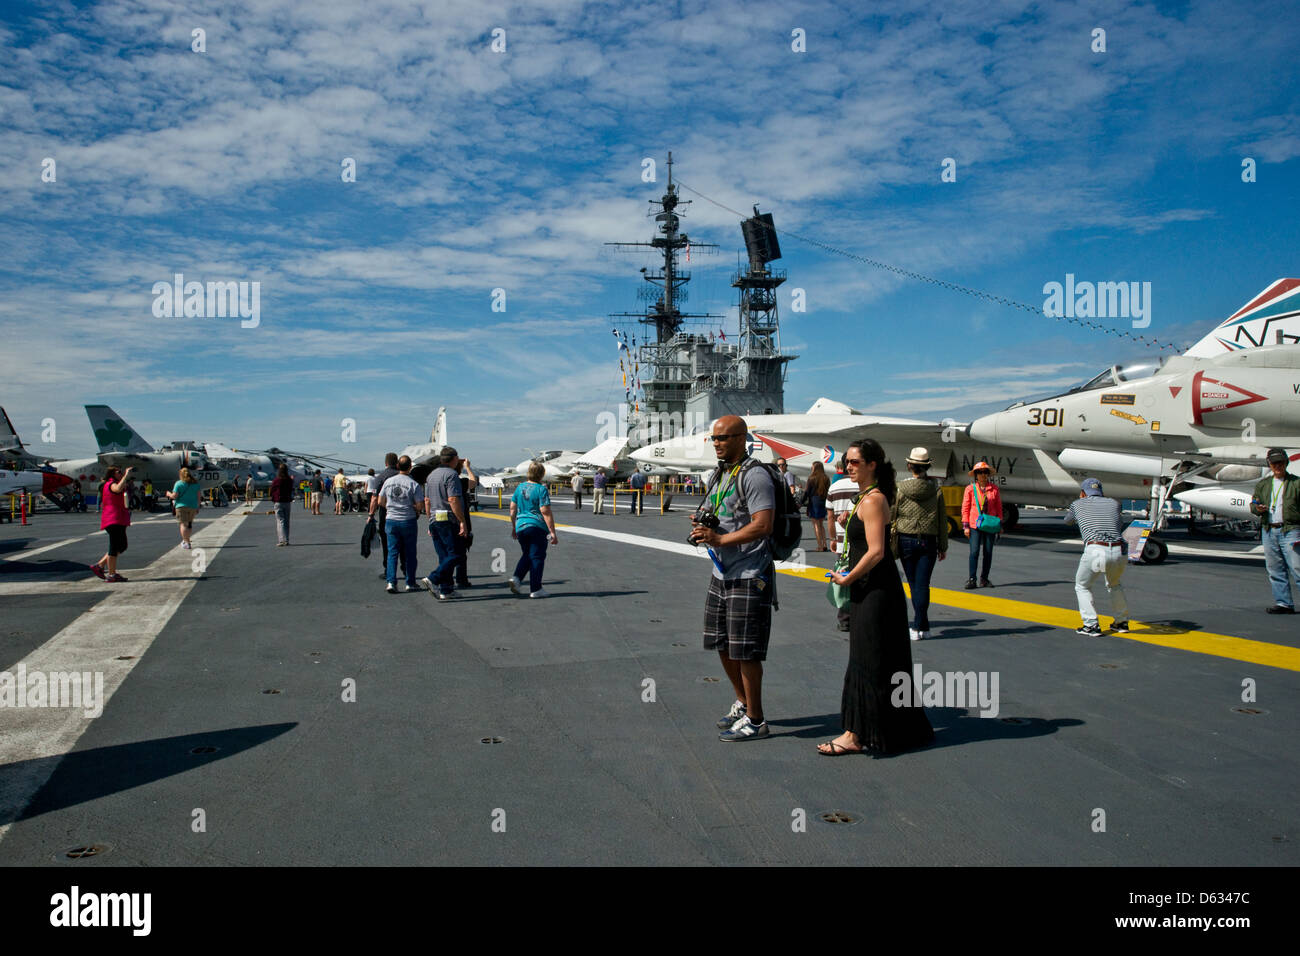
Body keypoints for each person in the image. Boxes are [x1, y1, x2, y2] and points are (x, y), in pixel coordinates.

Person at [822, 439, 934, 755]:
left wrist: (847, 577)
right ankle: (875, 729)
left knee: (867, 659)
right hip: (874, 588)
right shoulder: (867, 498)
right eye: (847, 461)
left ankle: (854, 734)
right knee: (879, 658)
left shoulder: (872, 500)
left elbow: (876, 552)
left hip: (875, 589)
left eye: (855, 461)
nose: (848, 466)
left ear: (872, 464)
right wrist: (849, 523)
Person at [690, 414, 776, 742]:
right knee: (721, 644)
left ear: (742, 438)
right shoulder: (719, 474)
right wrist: (705, 526)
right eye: (714, 438)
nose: (717, 443)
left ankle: (756, 720)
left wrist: (721, 540)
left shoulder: (755, 476)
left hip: (750, 573)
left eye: (723, 438)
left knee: (746, 651)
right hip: (721, 572)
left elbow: (763, 524)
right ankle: (743, 701)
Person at [892, 447, 948, 641]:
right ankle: (921, 626)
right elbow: (942, 519)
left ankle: (919, 627)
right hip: (928, 540)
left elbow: (894, 513)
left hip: (905, 538)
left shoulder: (899, 488)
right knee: (923, 585)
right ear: (927, 467)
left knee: (913, 584)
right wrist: (943, 546)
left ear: (909, 466)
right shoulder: (936, 490)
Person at [1064, 477, 1129, 636]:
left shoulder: (1077, 503)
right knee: (1114, 584)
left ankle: (1091, 624)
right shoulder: (1114, 503)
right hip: (1118, 550)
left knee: (1083, 586)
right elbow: (1118, 524)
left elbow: (1067, 521)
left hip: (1096, 549)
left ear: (1083, 493)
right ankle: (1121, 622)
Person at [1251, 447, 1300, 614]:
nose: (1277, 466)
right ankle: (1284, 603)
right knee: (1275, 569)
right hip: (1269, 530)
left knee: (1297, 568)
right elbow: (1253, 504)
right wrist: (1259, 509)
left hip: (1290, 530)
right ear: (1269, 464)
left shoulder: (1296, 483)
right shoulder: (1263, 484)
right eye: (1274, 463)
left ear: (1286, 463)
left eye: (1280, 462)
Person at [422, 446, 469, 600]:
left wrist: (430, 520)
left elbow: (427, 501)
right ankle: (433, 578)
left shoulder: (431, 476)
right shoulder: (451, 475)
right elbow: (453, 499)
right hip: (448, 519)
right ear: (454, 459)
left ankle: (446, 589)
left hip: (435, 519)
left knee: (444, 556)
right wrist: (462, 521)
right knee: (457, 553)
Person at [507, 462, 559, 597]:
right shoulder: (541, 489)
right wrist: (552, 531)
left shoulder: (519, 487)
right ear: (541, 474)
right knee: (537, 557)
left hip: (521, 526)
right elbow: (545, 511)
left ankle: (517, 578)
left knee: (527, 555)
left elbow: (512, 509)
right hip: (536, 527)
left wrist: (514, 526)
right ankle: (536, 589)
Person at [377, 455, 422, 594]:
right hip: (408, 520)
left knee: (392, 552)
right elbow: (420, 505)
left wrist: (390, 507)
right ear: (410, 467)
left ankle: (391, 582)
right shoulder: (413, 483)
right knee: (409, 553)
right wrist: (414, 509)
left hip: (391, 520)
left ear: (398, 466)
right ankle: (410, 582)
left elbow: (380, 501)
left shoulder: (388, 482)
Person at [827, 464, 859, 632]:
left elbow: (830, 516)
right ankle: (861, 616)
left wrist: (832, 538)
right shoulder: (862, 485)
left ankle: (845, 619)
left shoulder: (834, 486)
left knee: (843, 580)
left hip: (841, 541)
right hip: (860, 541)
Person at [961, 462, 1002, 589]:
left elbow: (999, 508)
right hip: (974, 525)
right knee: (974, 552)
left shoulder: (994, 489)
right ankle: (972, 579)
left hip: (990, 525)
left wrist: (1000, 525)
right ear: (976, 475)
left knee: (988, 552)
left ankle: (984, 579)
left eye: (985, 472)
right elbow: (965, 508)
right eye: (980, 472)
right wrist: (966, 526)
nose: (983, 475)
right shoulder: (970, 489)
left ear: (988, 474)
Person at [90, 465, 133, 583]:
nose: (121, 473)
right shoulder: (110, 484)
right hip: (113, 519)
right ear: (113, 474)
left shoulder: (115, 483)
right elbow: (117, 489)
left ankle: (99, 566)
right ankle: (111, 574)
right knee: (114, 547)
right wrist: (126, 476)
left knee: (122, 546)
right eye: (119, 472)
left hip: (118, 518)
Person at [368, 454, 401, 578]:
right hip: (404, 513)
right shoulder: (402, 475)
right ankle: (406, 569)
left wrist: (371, 514)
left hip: (386, 514)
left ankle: (388, 570)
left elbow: (374, 498)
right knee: (404, 544)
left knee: (387, 543)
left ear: (386, 463)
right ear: (396, 462)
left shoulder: (381, 477)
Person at [456, 457, 478, 588]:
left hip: (442, 520)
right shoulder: (460, 482)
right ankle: (461, 579)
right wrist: (468, 467)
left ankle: (447, 580)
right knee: (460, 553)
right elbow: (473, 482)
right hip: (461, 520)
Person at [166, 466, 201, 550]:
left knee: (183, 524)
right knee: (189, 524)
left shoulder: (178, 483)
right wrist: (197, 507)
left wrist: (168, 494)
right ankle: (187, 541)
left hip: (181, 506)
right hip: (192, 506)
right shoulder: (196, 484)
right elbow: (199, 497)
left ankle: (186, 542)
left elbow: (174, 496)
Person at [804, 460, 831, 551]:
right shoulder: (826, 478)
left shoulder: (812, 478)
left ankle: (819, 546)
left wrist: (800, 502)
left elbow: (807, 492)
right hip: (823, 501)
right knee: (821, 524)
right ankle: (824, 544)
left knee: (816, 524)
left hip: (814, 502)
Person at [269, 463, 294, 545]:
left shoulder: (276, 480)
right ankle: (287, 540)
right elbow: (291, 490)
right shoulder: (289, 480)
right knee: (287, 521)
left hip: (278, 502)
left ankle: (281, 540)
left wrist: (273, 498)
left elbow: (272, 490)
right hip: (287, 502)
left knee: (280, 521)